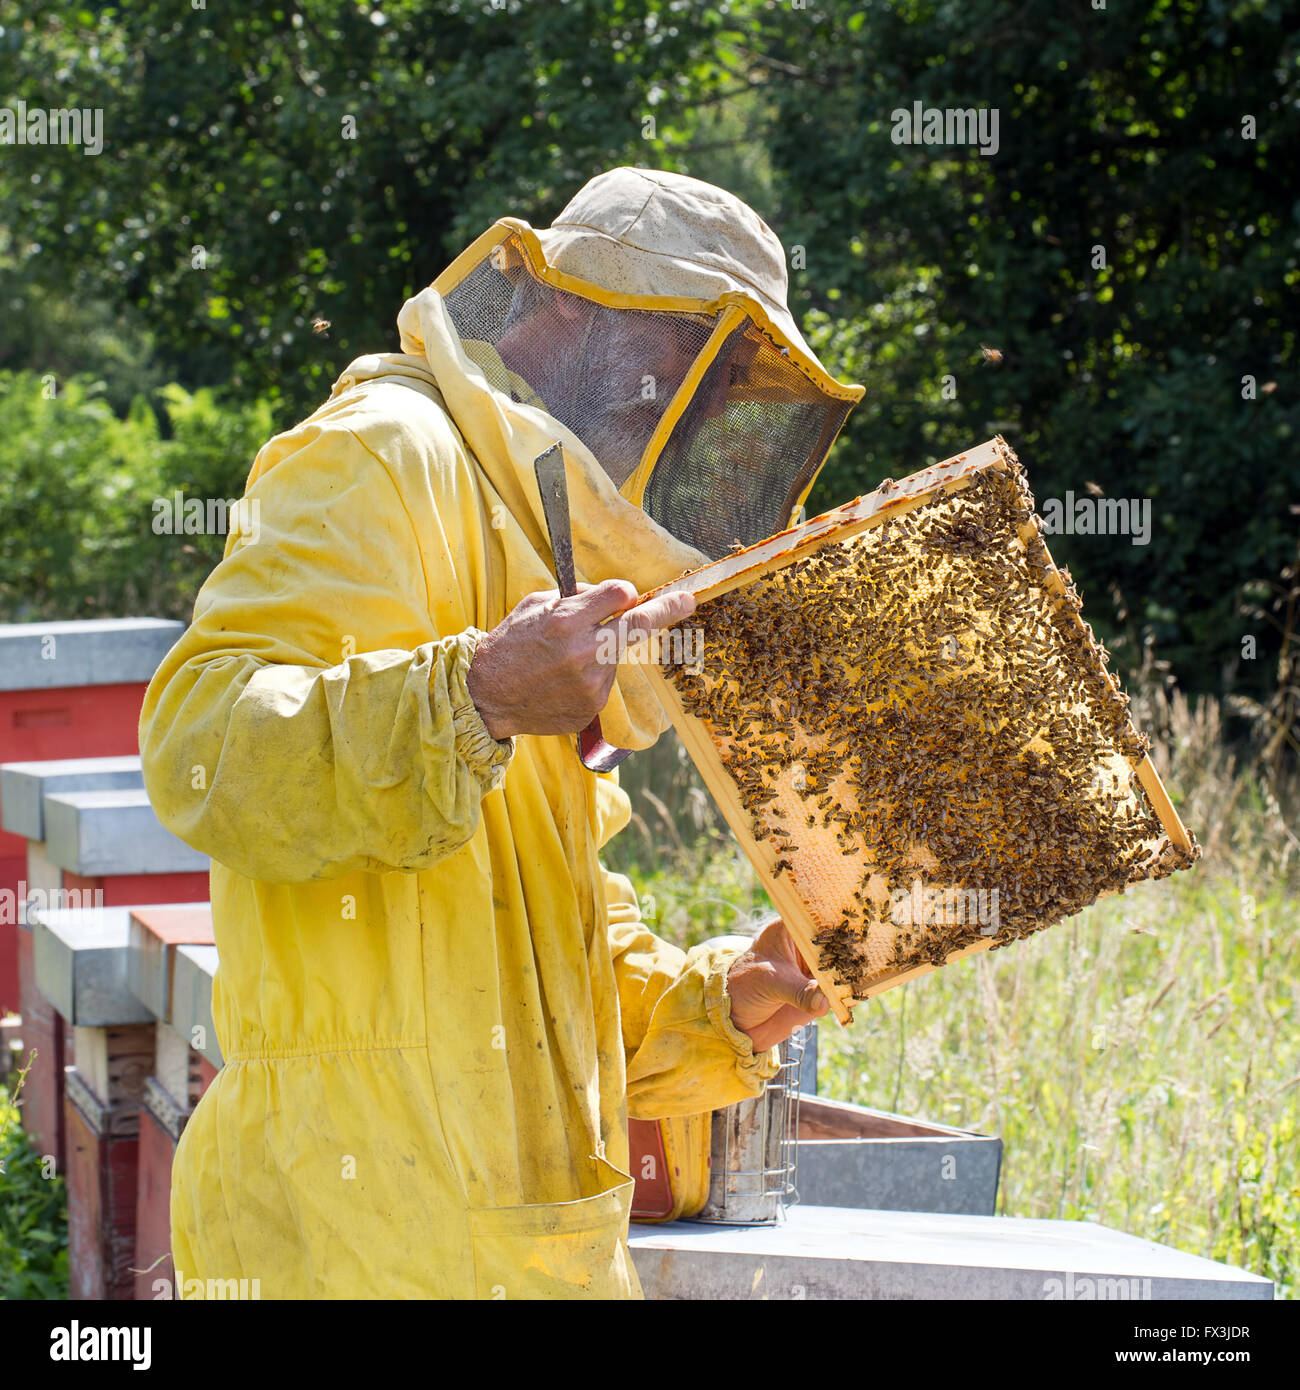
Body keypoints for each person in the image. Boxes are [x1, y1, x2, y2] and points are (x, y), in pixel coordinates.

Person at [138, 166, 863, 1299]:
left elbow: (544, 961)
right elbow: (201, 751)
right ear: (566, 307)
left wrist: (723, 1001)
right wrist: (469, 697)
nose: (691, 406)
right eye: (681, 358)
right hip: (347, 1249)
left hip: (521, 1251)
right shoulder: (388, 454)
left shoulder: (539, 537)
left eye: (721, 383)